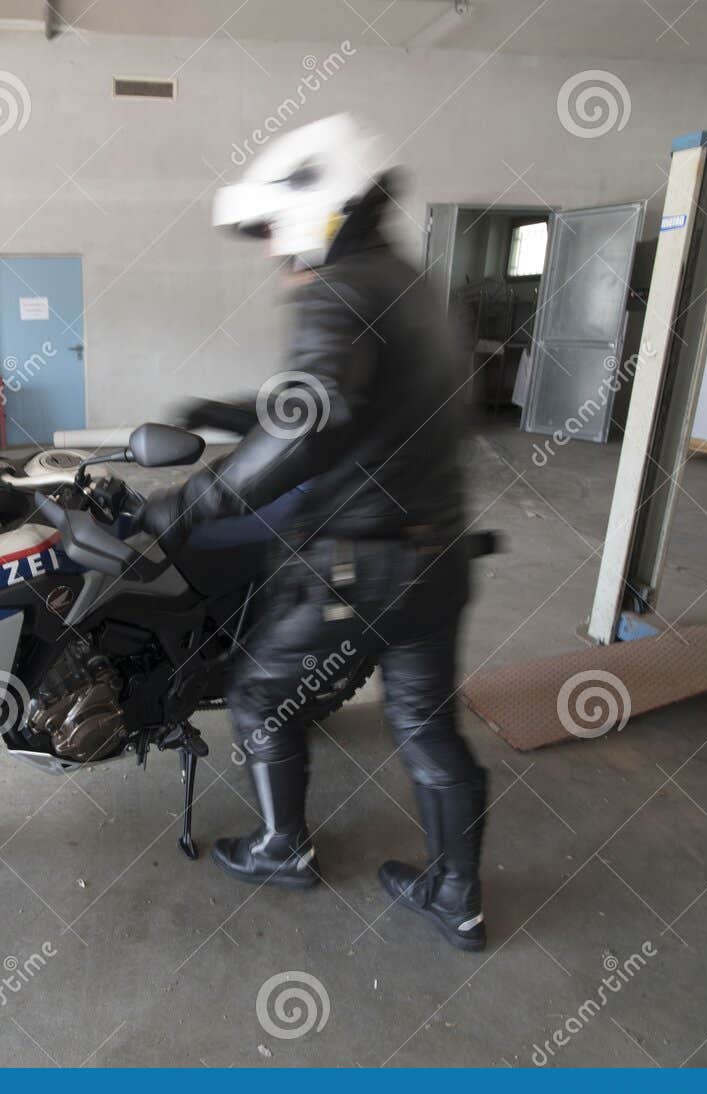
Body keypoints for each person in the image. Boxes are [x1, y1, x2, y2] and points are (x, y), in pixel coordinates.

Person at [142, 114, 490, 952]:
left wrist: (195, 500)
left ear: (320, 203)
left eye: (272, 226)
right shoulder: (418, 287)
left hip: (359, 563)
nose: (271, 247)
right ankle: (457, 896)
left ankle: (282, 847)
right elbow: (362, 405)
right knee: (427, 726)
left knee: (260, 695)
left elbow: (312, 426)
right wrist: (232, 411)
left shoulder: (339, 290)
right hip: (439, 553)